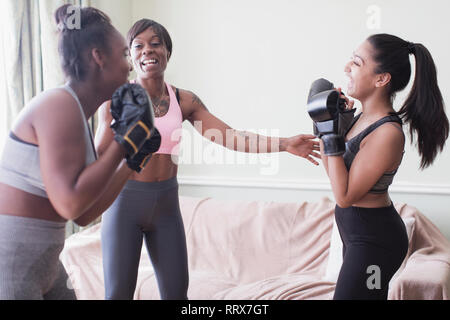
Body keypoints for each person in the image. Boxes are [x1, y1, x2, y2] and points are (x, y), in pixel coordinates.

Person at [96, 18, 321, 300]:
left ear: (168, 52)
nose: (147, 51)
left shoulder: (184, 100)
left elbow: (230, 136)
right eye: (138, 46)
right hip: (124, 204)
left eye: (156, 44)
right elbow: (97, 156)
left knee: (178, 295)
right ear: (130, 55)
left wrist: (285, 144)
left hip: (165, 205)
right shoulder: (116, 99)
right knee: (117, 295)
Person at [0, 5, 150, 300]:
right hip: (11, 263)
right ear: (98, 57)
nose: (130, 65)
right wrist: (124, 143)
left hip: (44, 264)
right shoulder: (59, 105)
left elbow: (84, 212)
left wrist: (133, 160)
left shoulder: (76, 114)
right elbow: (71, 205)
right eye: (123, 54)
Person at [309, 33, 449, 299]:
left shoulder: (387, 133)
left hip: (376, 243)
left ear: (381, 79)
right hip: (356, 234)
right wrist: (330, 125)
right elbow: (336, 177)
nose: (346, 68)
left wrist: (330, 133)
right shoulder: (360, 118)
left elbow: (345, 195)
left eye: (357, 63)